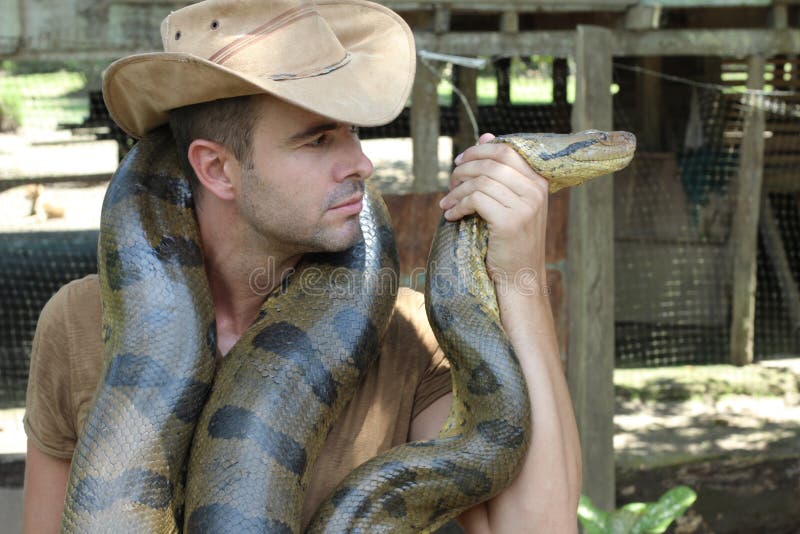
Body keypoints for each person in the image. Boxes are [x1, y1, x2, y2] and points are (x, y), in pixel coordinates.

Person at [22, 0, 581, 531]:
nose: (360, 163)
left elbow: (544, 528)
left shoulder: (406, 335)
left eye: (353, 131)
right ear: (216, 169)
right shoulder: (76, 323)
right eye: (317, 140)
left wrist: (520, 283)